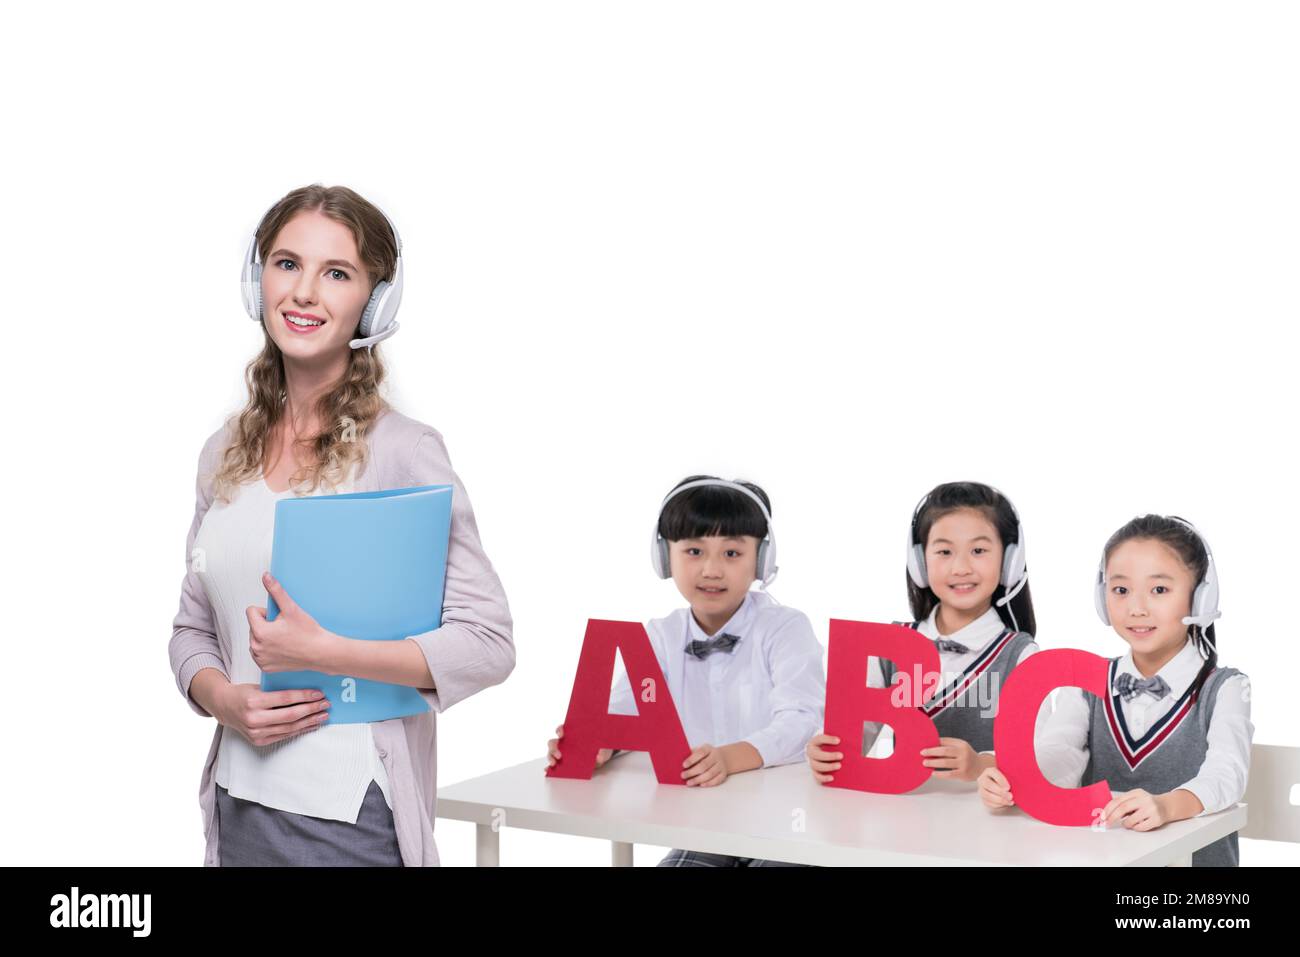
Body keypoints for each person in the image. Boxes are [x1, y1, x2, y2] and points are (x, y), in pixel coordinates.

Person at [168, 184, 514, 866]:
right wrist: (223, 699)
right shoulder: (223, 454)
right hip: (237, 812)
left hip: (348, 822)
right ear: (257, 281)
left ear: (374, 302)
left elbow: (487, 641)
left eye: (336, 273)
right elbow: (192, 630)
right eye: (287, 264)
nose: (303, 292)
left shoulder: (402, 452)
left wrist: (327, 651)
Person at [546, 475, 825, 866]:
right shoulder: (662, 635)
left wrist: (729, 758)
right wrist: (601, 743)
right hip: (702, 820)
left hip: (784, 819)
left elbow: (802, 720)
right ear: (665, 557)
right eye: (694, 551)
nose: (711, 570)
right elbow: (627, 707)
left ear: (761, 560)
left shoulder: (785, 628)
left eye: (732, 553)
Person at [978, 514, 1253, 866]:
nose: (1136, 609)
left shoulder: (1226, 688)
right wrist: (1017, 782)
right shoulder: (1083, 685)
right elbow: (1061, 753)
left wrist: (1168, 805)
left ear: (1200, 598)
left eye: (1159, 590)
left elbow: (1226, 774)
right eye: (1121, 590)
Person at [807, 481, 1041, 784]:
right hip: (905, 809)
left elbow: (1039, 753)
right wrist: (824, 748)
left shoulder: (1021, 656)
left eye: (978, 550)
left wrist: (981, 764)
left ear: (1010, 561)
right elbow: (855, 735)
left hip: (983, 810)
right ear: (919, 562)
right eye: (944, 551)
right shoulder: (887, 647)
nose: (960, 567)